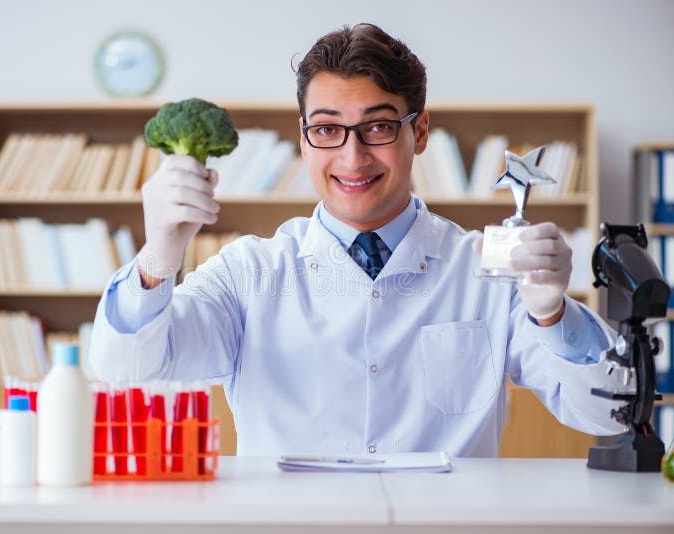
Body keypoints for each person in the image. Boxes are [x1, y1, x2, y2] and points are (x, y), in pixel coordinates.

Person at [90, 23, 624, 457]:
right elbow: (127, 372)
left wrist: (552, 314)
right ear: (303, 139)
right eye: (326, 129)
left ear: (418, 133)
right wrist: (158, 258)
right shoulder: (249, 272)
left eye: (378, 126)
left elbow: (609, 411)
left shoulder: (485, 269)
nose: (352, 157)